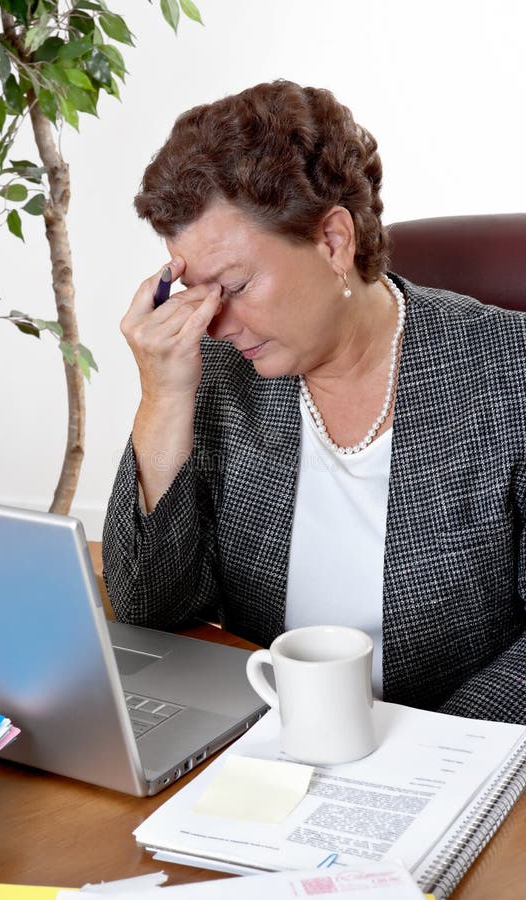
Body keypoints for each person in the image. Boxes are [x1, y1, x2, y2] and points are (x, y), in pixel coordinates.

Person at [102, 80, 526, 723]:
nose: (213, 321)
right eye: (195, 290)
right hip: (271, 752)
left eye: (235, 284)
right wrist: (162, 396)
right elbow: (150, 613)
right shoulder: (213, 373)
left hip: (463, 768)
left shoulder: (507, 370)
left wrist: (431, 754)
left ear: (333, 241)